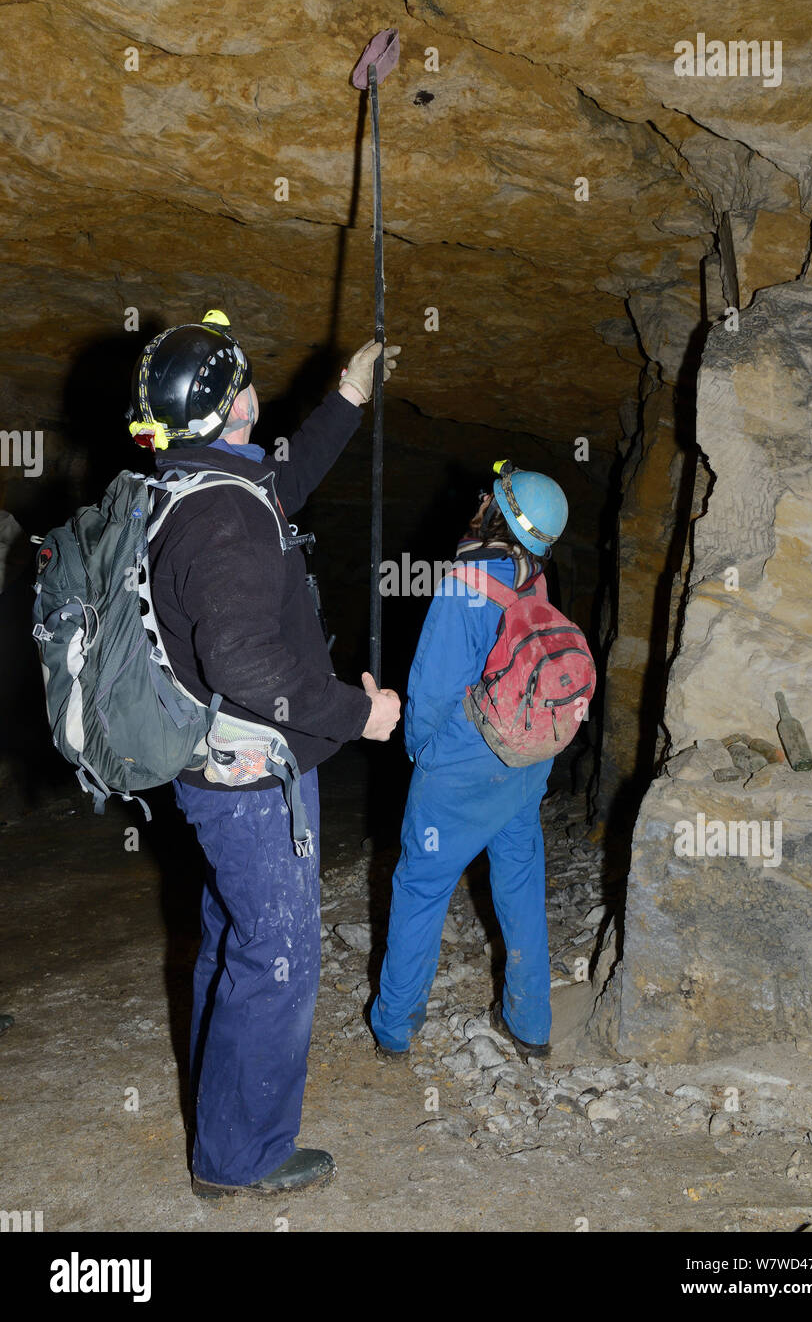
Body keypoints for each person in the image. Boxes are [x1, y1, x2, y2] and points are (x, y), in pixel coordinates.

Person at [129, 310, 402, 1198]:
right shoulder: (220, 520)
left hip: (214, 769)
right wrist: (353, 713)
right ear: (236, 403)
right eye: (245, 376)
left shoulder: (202, 483)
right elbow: (246, 661)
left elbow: (281, 481)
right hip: (249, 779)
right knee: (279, 952)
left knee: (233, 939)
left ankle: (222, 1127)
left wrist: (350, 395)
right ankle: (239, 1156)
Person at [370, 466, 570, 1060]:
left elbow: (431, 688)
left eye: (491, 495)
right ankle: (531, 1023)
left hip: (462, 765)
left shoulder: (467, 581)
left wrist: (418, 751)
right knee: (520, 881)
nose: (481, 498)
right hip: (525, 760)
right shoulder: (534, 579)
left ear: (498, 514)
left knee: (421, 888)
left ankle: (395, 1026)